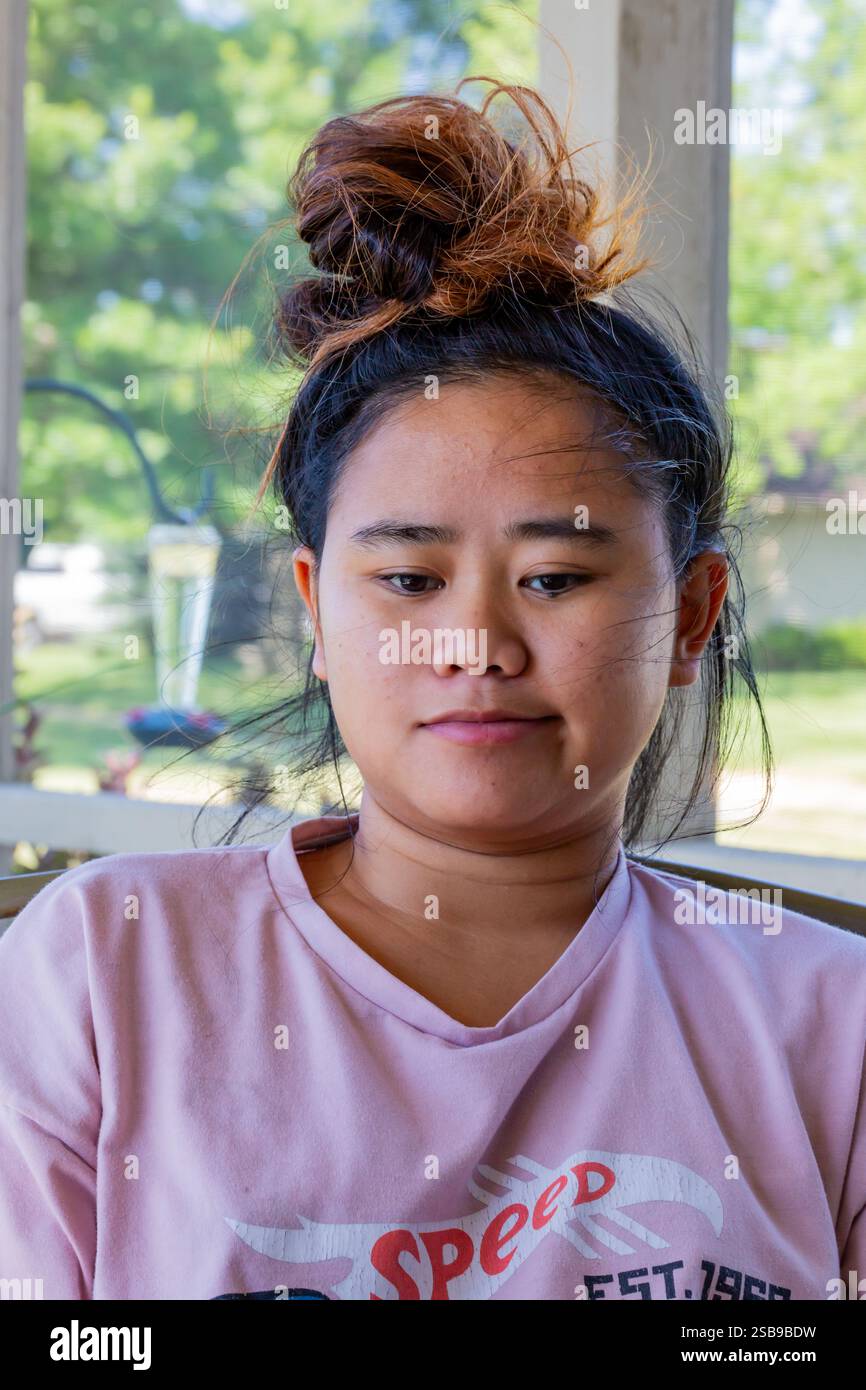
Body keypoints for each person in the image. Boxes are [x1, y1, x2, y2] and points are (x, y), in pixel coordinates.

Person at [1, 77, 864, 1303]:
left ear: (688, 614)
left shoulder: (826, 1027)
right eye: (407, 576)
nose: (474, 643)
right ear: (315, 611)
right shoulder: (103, 970)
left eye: (556, 575)